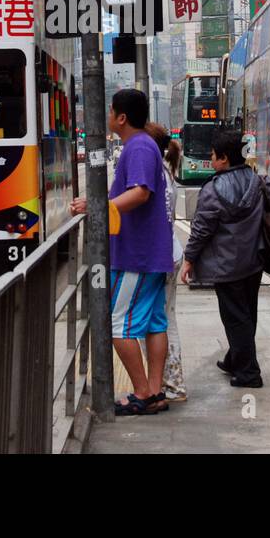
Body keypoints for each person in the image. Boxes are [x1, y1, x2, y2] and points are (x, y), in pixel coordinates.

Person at [69, 88, 172, 416]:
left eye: (110, 111)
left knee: (118, 324)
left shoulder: (138, 146)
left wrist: (98, 205)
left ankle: (142, 393)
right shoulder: (142, 146)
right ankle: (155, 392)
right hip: (150, 252)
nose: (107, 116)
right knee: (155, 323)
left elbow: (140, 193)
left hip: (137, 256)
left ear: (121, 117)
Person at [181, 129, 270, 389]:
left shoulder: (213, 190)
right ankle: (235, 359)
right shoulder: (260, 182)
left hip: (226, 265)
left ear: (223, 158)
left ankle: (249, 373)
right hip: (255, 261)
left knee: (235, 317)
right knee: (247, 313)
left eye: (213, 156)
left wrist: (189, 258)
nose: (211, 161)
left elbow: (202, 229)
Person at [145, 122, 187, 404]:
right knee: (166, 318)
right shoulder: (166, 173)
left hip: (160, 255)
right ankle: (172, 383)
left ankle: (167, 385)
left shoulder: (155, 174)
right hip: (170, 252)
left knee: (156, 322)